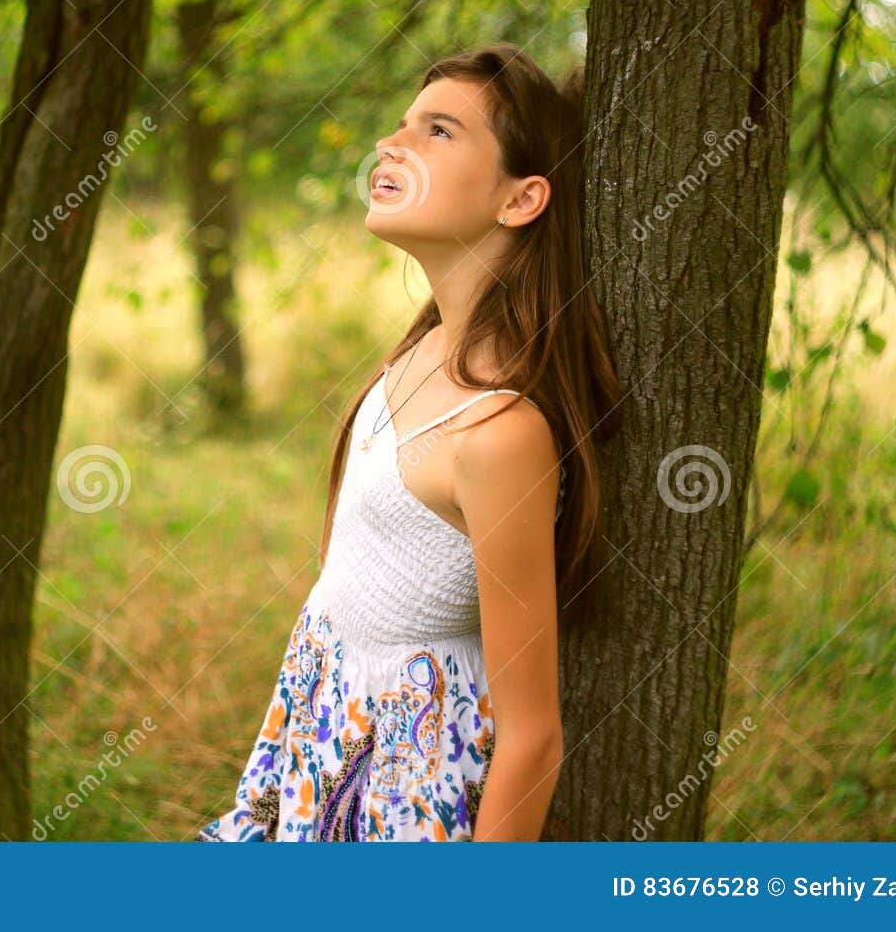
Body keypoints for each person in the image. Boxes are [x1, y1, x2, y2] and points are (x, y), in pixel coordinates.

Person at [194, 43, 621, 841]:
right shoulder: (420, 352)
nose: (390, 145)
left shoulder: (499, 435)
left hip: (398, 804)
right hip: (319, 751)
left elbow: (533, 738)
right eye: (401, 125)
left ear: (521, 199)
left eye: (439, 131)